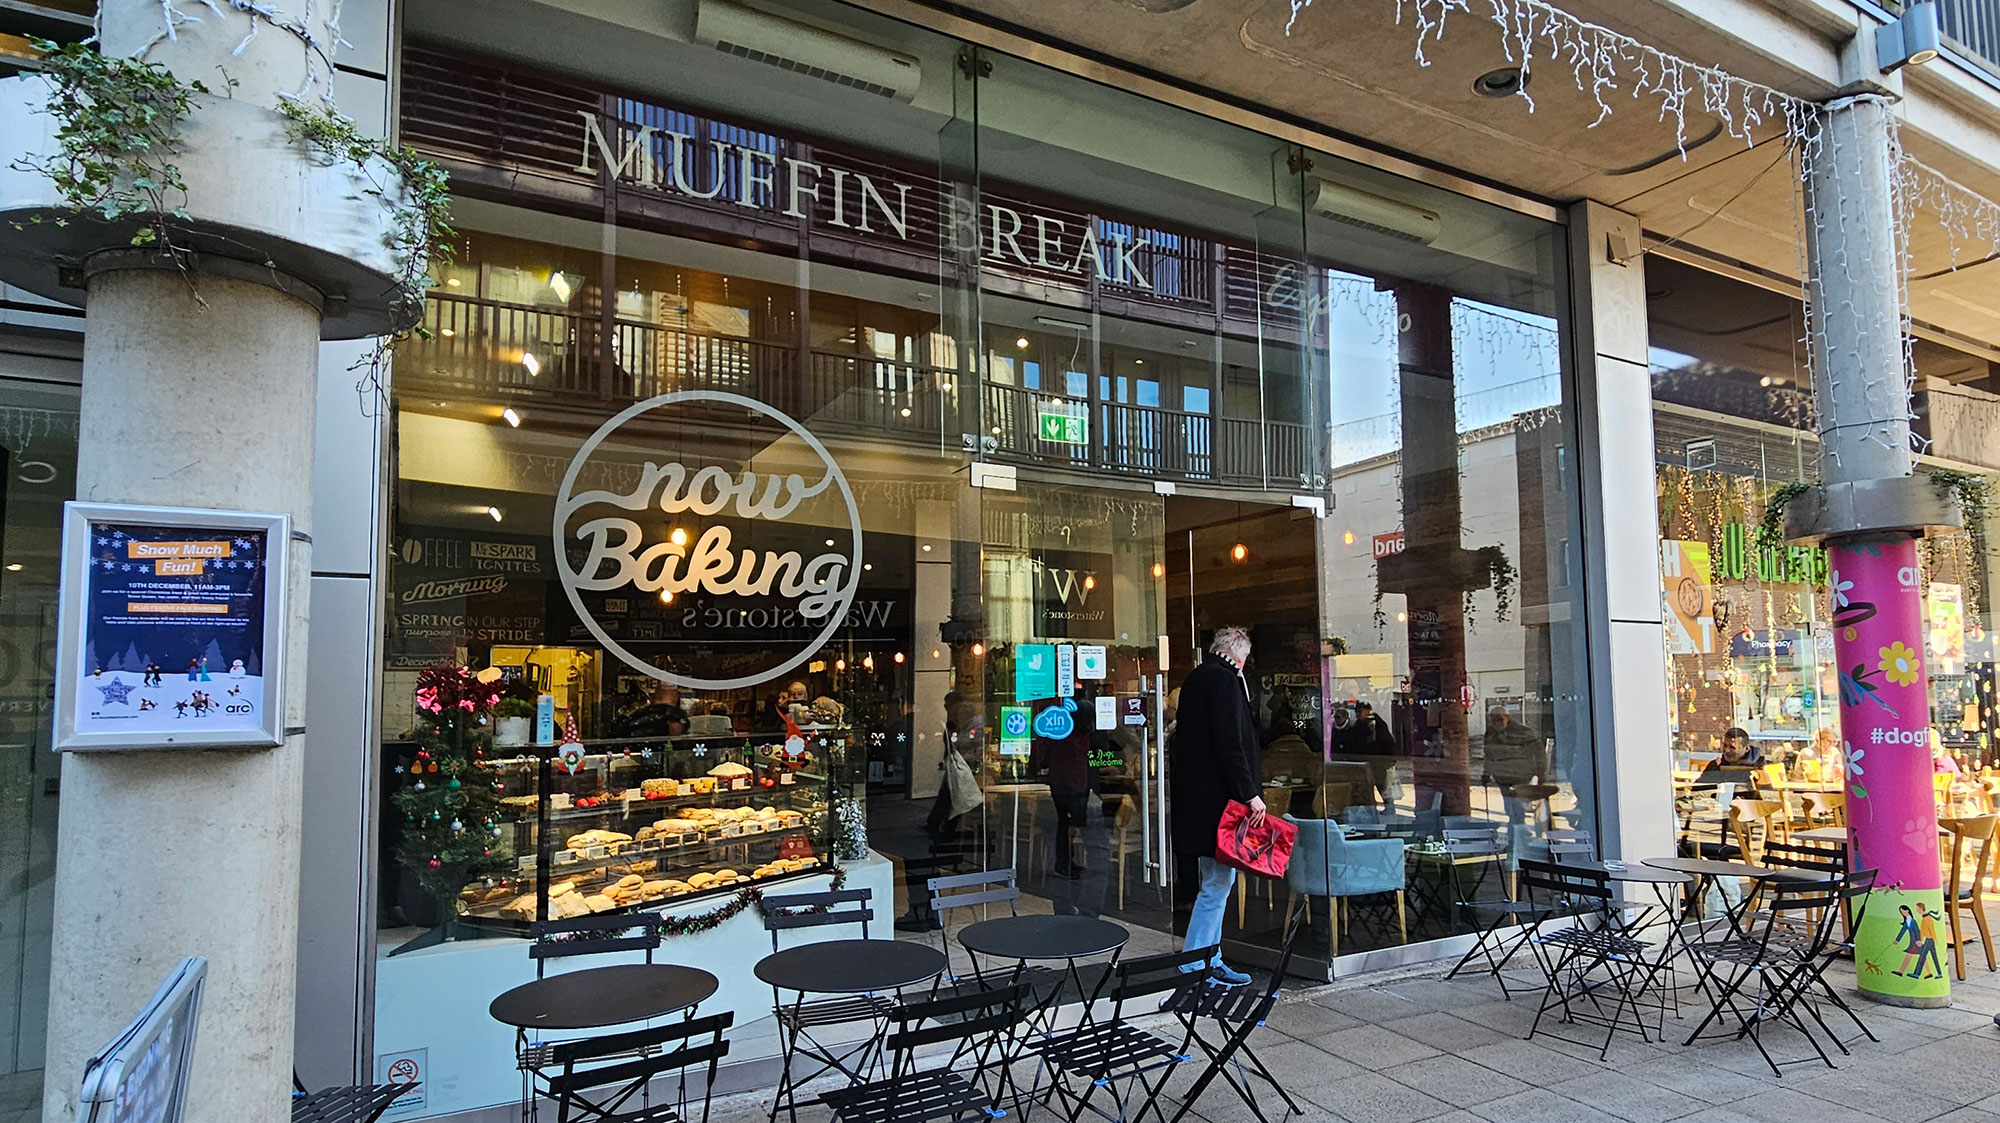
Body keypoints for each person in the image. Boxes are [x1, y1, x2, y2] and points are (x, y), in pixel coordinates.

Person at [1169, 625, 1263, 986]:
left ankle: (1209, 958)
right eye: (1246, 656)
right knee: (1217, 884)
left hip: (1200, 800)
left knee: (1215, 882)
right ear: (1238, 652)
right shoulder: (1225, 680)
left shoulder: (1197, 678)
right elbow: (1231, 742)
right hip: (1220, 803)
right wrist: (1249, 792)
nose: (1245, 663)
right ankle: (1198, 962)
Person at [1353, 701, 1399, 811]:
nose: (1358, 714)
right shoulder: (1359, 724)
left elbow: (1387, 742)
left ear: (1368, 711)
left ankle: (1389, 806)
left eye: (1360, 711)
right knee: (1367, 786)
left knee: (1381, 784)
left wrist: (1390, 758)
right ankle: (1372, 808)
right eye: (1357, 712)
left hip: (1378, 759)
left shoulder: (1377, 723)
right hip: (1365, 759)